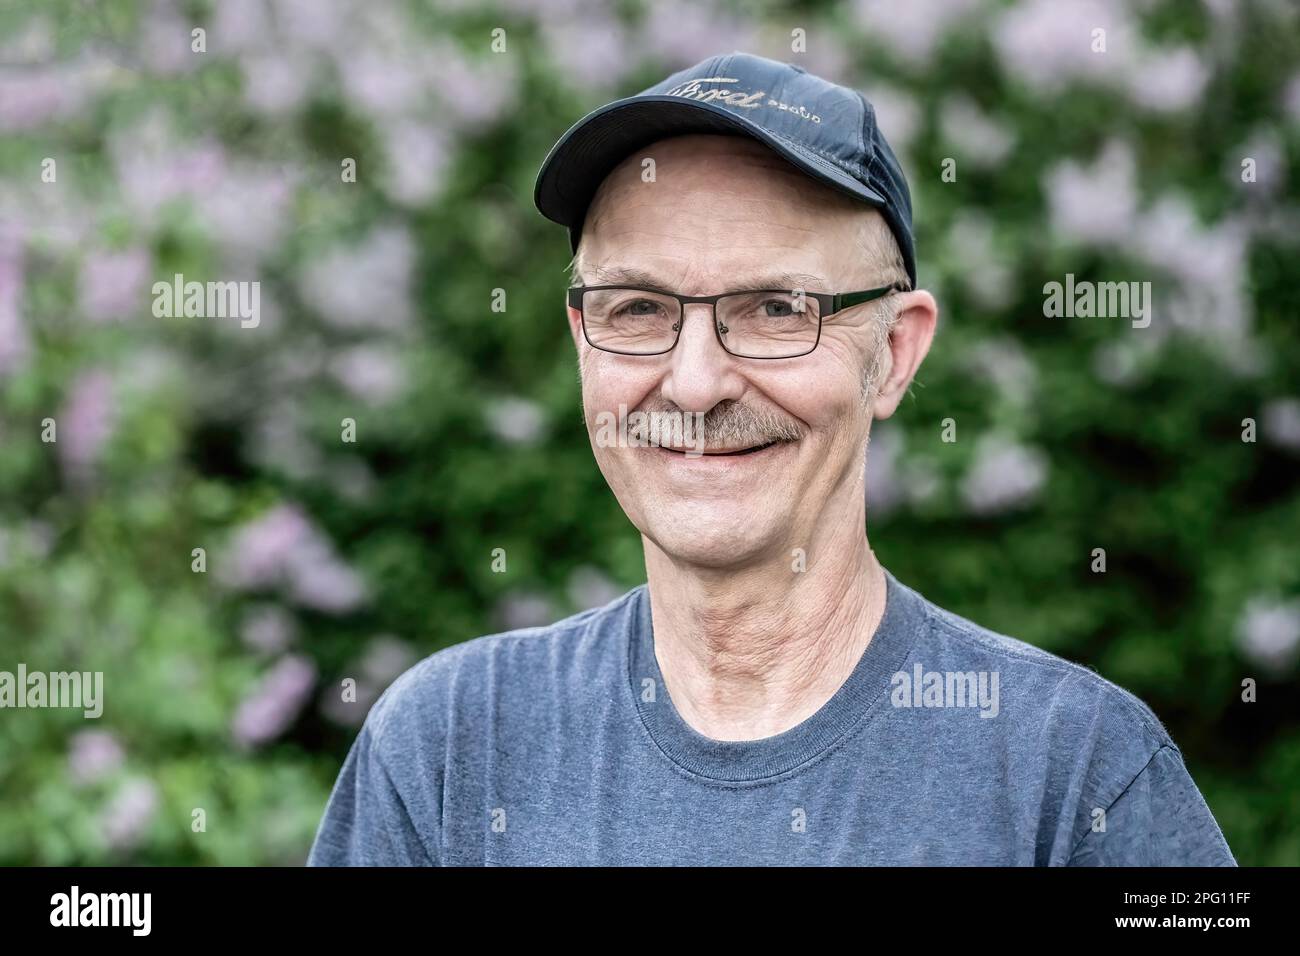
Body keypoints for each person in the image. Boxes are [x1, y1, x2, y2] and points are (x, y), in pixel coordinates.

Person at [307, 52, 1235, 866]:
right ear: (582, 342)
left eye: (776, 310)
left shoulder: (1073, 775)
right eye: (637, 310)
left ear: (895, 355)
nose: (697, 383)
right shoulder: (446, 750)